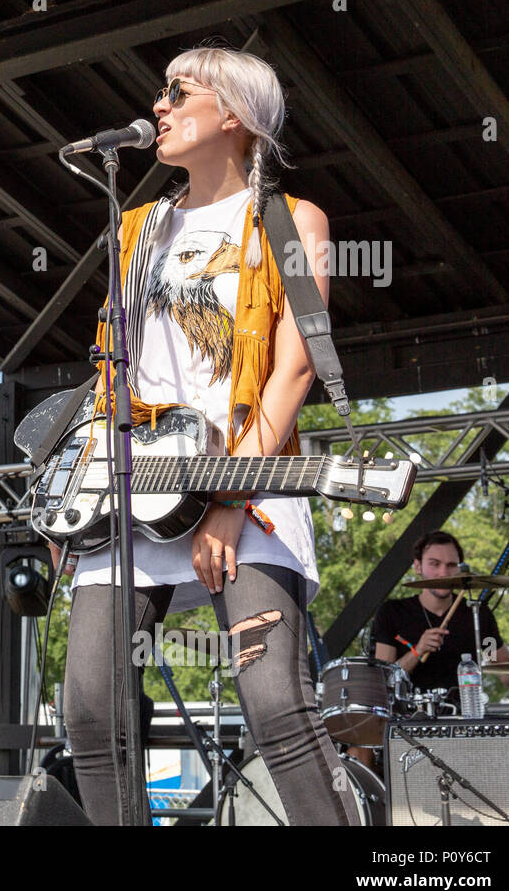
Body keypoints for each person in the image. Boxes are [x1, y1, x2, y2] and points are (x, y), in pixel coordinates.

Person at [57, 45, 362, 825]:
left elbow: (292, 372)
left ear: (232, 114)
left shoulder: (295, 220)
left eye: (176, 92)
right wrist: (79, 495)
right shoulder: (136, 228)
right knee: (92, 713)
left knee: (276, 707)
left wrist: (231, 497)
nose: (157, 106)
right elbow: (113, 376)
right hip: (130, 492)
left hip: (246, 485)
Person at [373, 529, 509, 705]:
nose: (443, 573)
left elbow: (504, 672)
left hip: (464, 716)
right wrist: (417, 651)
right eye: (434, 564)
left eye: (451, 565)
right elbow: (382, 680)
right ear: (418, 566)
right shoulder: (393, 612)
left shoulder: (477, 614)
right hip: (409, 718)